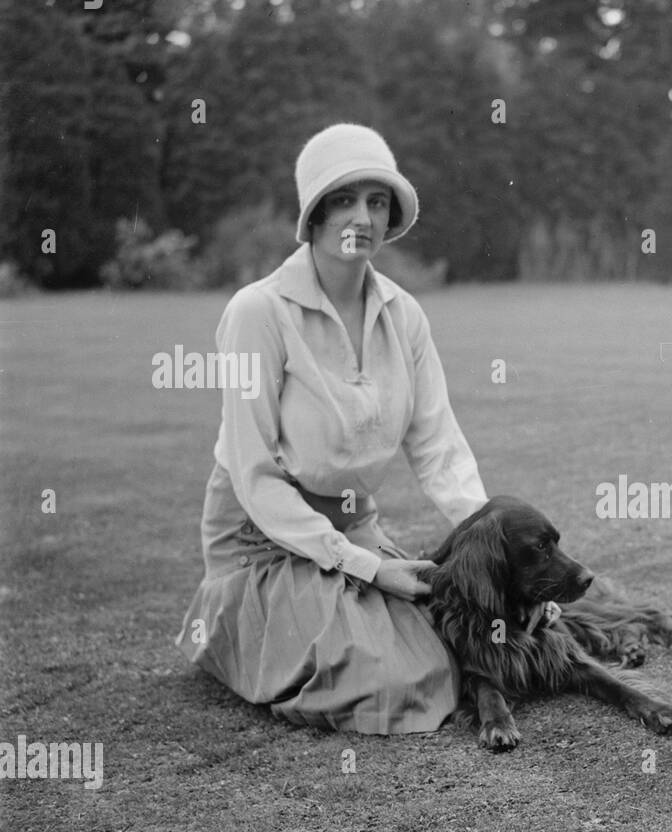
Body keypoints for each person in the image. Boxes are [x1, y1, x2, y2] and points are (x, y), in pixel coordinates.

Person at [176, 122, 499, 735]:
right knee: (400, 682)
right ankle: (242, 632)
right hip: (262, 540)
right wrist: (368, 568)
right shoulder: (257, 312)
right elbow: (254, 474)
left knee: (456, 640)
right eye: (345, 199)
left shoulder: (405, 315)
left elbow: (439, 450)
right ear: (315, 215)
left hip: (353, 523)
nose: (363, 216)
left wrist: (497, 548)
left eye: (377, 201)